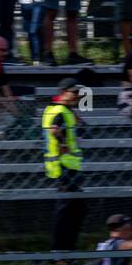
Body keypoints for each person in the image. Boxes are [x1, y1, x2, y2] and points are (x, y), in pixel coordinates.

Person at [44, 77, 85, 253]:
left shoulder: (60, 109)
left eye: (78, 92)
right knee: (66, 212)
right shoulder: (60, 110)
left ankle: (66, 250)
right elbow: (55, 130)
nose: (77, 95)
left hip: (68, 167)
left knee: (76, 209)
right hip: (64, 167)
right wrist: (63, 146)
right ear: (63, 92)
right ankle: (60, 252)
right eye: (73, 92)